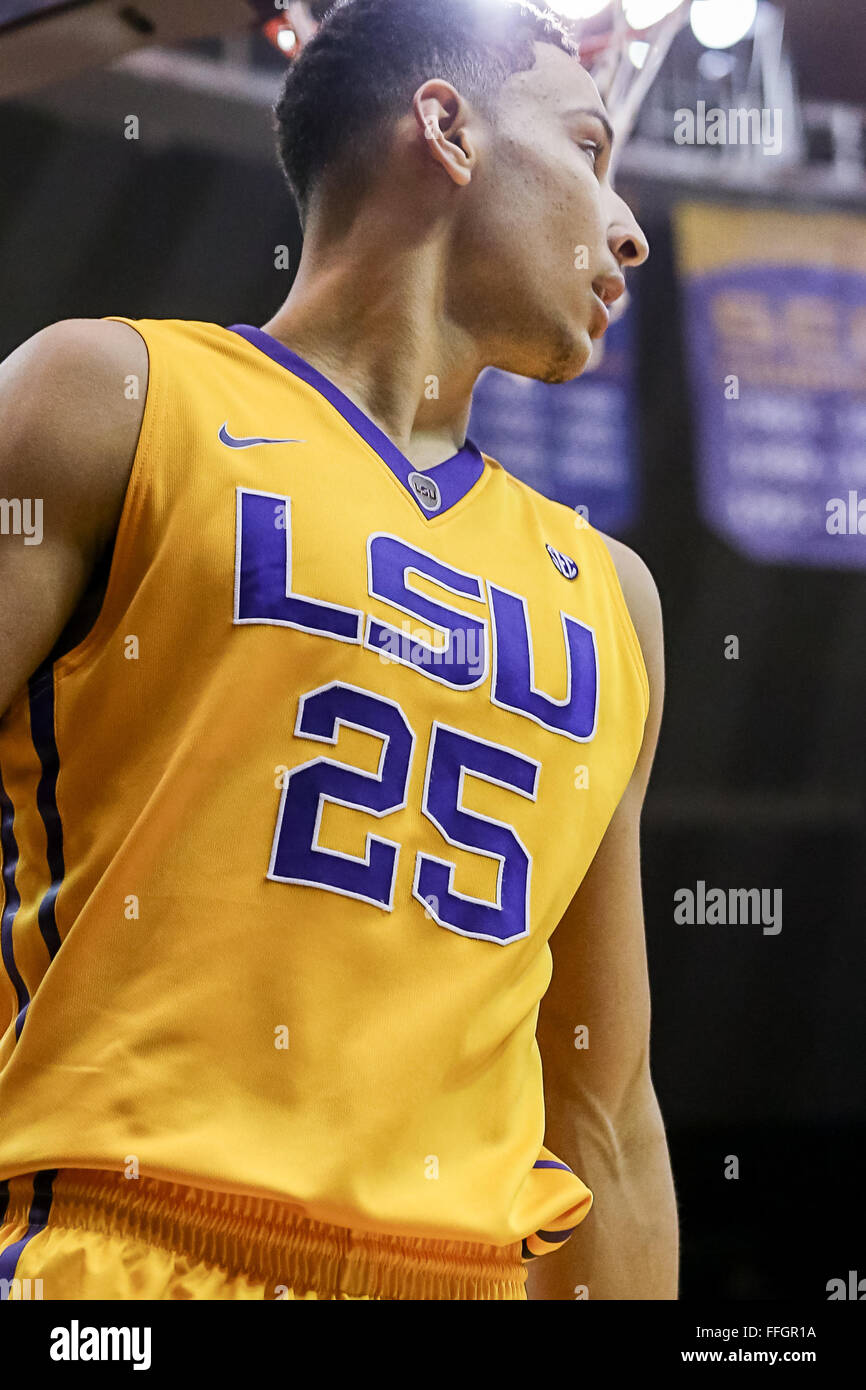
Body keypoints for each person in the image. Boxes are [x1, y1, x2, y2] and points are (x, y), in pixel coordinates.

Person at [0, 0, 677, 1300]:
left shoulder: (612, 597)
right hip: (120, 1261)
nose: (628, 223)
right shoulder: (108, 400)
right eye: (588, 150)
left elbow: (604, 1110)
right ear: (446, 129)